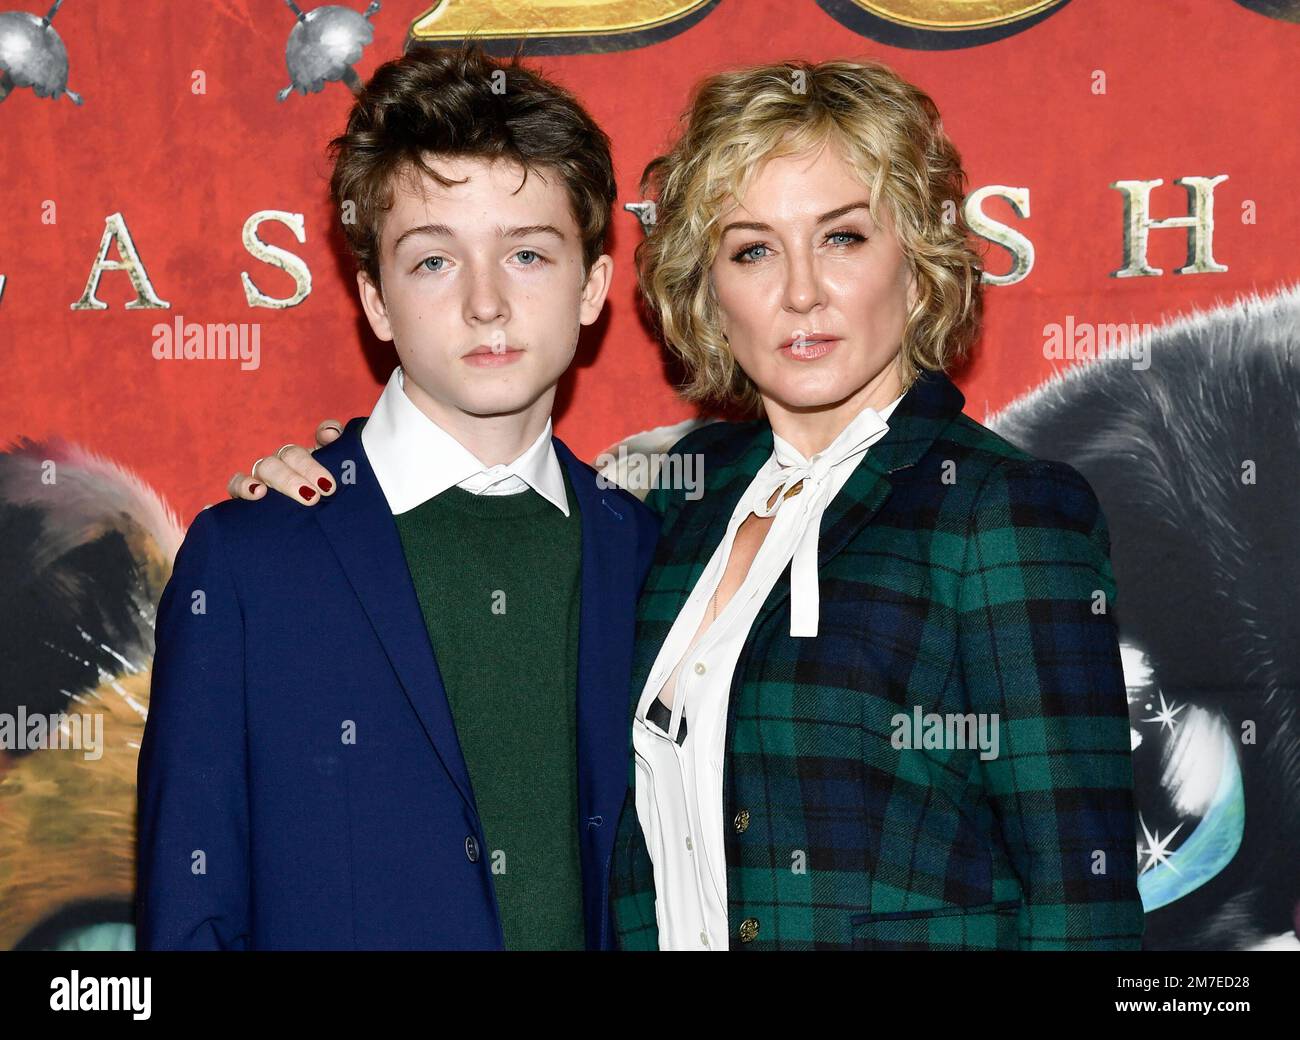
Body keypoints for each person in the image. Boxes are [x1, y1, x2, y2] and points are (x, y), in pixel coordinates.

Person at [231, 57, 1144, 951]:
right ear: (709, 288)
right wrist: (339, 487)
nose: (799, 291)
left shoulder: (1003, 514)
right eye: (752, 248)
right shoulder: (675, 502)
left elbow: (1085, 903)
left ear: (918, 259)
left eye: (843, 237)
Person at [136, 42, 659, 951]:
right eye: (432, 263)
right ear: (374, 300)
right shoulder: (253, 559)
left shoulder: (653, 550)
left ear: (594, 287)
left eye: (528, 255)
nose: (486, 304)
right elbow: (191, 918)